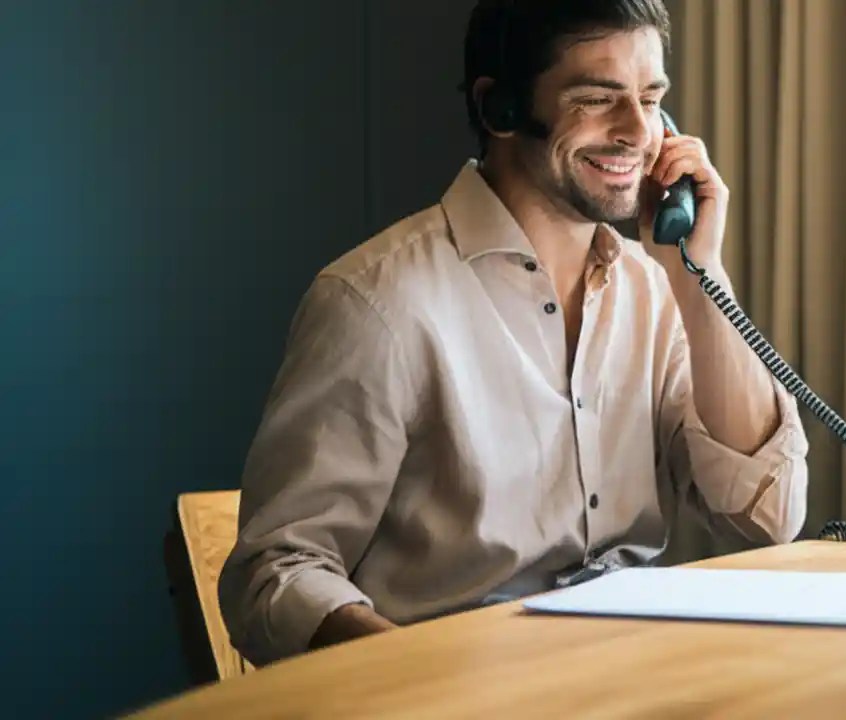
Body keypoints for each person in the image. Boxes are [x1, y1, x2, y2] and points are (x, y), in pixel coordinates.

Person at [219, 0, 809, 667]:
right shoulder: (377, 300)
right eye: (598, 98)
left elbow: (765, 516)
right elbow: (277, 571)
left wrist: (700, 275)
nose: (638, 133)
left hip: (629, 678)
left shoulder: (657, 289)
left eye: (651, 99)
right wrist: (430, 678)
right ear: (499, 108)